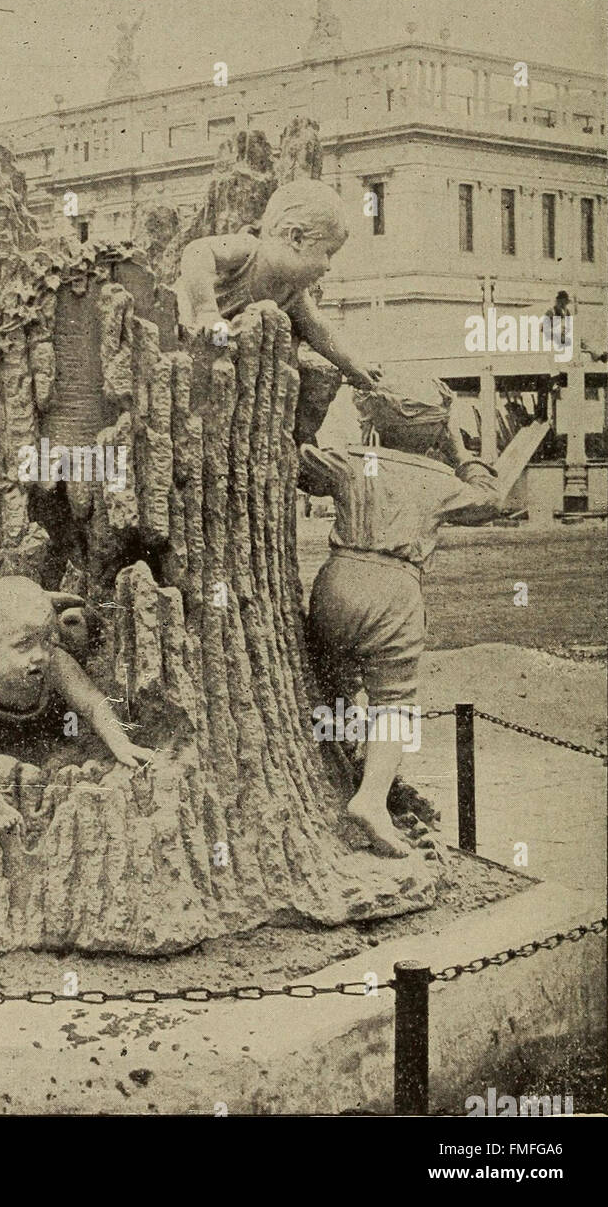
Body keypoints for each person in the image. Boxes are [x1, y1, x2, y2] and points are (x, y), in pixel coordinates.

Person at [299, 378, 502, 857]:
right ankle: (370, 797)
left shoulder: (352, 460)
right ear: (435, 433)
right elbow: (492, 498)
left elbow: (296, 464)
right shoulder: (440, 481)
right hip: (395, 587)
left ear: (374, 422)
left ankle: (339, 766)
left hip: (338, 578)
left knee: (332, 681)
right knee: (394, 700)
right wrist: (458, 449)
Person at [0, 577, 153, 790]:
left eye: (45, 641)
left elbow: (92, 703)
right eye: (23, 645)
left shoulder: (55, 661)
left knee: (77, 628)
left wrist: (120, 743)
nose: (39, 655)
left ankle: (58, 616)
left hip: (50, 717)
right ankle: (38, 604)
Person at [175, 177, 381, 388]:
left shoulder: (293, 291)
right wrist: (207, 312)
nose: (328, 266)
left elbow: (318, 329)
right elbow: (197, 251)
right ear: (297, 239)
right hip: (191, 330)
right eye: (328, 253)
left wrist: (352, 364)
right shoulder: (250, 250)